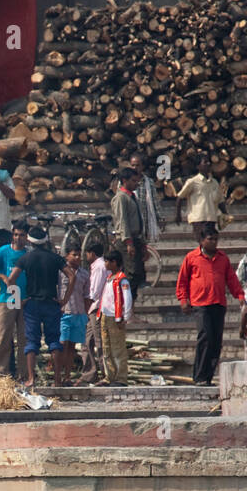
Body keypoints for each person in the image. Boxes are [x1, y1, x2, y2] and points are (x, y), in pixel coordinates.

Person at [176, 228, 245, 386]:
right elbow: (182, 281)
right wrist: (183, 300)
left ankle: (207, 377)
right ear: (201, 241)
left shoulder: (223, 258)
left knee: (216, 341)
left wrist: (239, 295)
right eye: (210, 239)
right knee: (205, 337)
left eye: (215, 239)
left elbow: (231, 279)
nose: (213, 242)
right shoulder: (191, 257)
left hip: (218, 303)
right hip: (200, 303)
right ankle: (199, 376)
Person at [7, 227, 68, 388]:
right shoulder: (55, 258)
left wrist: (19, 300)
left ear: (29, 240)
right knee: (54, 341)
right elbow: (73, 276)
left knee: (32, 342)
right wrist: (64, 299)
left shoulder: (25, 259)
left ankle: (31, 379)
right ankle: (57, 380)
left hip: (32, 304)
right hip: (51, 303)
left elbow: (10, 279)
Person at [0, 221, 28, 380]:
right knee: (2, 339)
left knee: (24, 339)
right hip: (6, 298)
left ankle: (24, 376)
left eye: (21, 235)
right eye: (16, 234)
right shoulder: (3, 251)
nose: (18, 238)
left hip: (24, 300)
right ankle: (0, 375)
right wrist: (0, 276)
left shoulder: (28, 254)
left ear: (27, 237)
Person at [60, 246, 98, 384]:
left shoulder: (84, 274)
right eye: (74, 255)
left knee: (71, 347)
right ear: (67, 256)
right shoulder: (60, 272)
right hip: (64, 313)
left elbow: (87, 295)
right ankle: (59, 374)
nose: (77, 258)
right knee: (62, 344)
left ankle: (67, 376)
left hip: (79, 313)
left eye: (79, 255)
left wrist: (86, 313)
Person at [98, 250, 132, 386]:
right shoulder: (109, 278)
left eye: (107, 261)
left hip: (115, 317)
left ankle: (121, 378)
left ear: (114, 262)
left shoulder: (122, 279)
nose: (105, 264)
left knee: (118, 348)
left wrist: (125, 317)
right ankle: (109, 376)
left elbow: (127, 299)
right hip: (105, 316)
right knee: (106, 348)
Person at [111, 167, 146, 297]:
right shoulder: (121, 198)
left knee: (138, 274)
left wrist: (142, 243)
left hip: (135, 238)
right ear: (124, 181)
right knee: (130, 274)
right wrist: (128, 242)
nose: (136, 183)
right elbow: (122, 221)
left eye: (137, 181)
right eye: (133, 180)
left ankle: (130, 310)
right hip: (127, 241)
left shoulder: (131, 196)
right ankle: (126, 309)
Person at [176, 155, 223, 240]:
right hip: (198, 219)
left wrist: (225, 213)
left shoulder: (214, 182)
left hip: (211, 218)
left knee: (210, 241)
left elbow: (220, 200)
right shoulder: (193, 182)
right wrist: (178, 215)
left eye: (209, 162)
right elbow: (180, 197)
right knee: (202, 241)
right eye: (205, 162)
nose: (208, 164)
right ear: (198, 166)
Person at [128, 152, 164, 245]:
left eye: (137, 165)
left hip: (144, 220)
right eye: (132, 165)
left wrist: (160, 218)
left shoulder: (148, 182)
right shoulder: (125, 182)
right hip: (130, 220)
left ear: (142, 166)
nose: (135, 168)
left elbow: (155, 201)